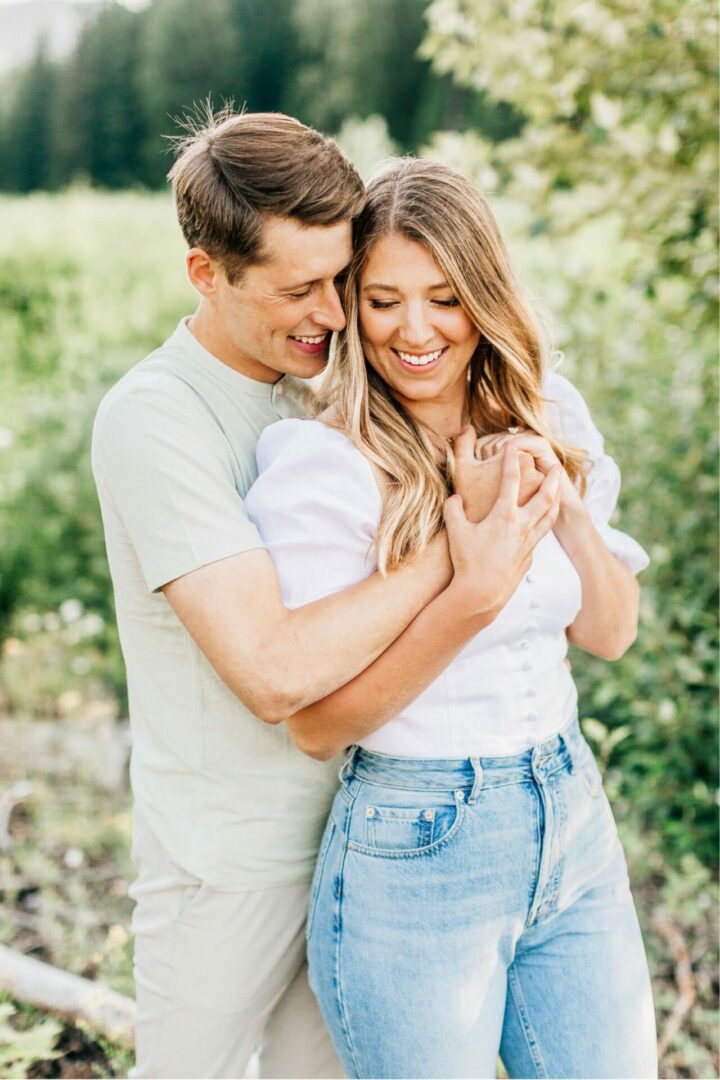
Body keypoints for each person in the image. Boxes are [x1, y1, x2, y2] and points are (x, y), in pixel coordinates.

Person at [91, 110, 559, 1080]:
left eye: (339, 283)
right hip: (230, 863)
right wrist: (453, 555)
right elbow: (271, 673)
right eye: (298, 290)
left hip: (369, 840)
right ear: (206, 274)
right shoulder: (156, 418)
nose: (334, 316)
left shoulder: (326, 382)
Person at [244, 158, 658, 1079]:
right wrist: (471, 590)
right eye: (384, 301)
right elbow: (316, 725)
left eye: (445, 298)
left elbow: (610, 631)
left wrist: (565, 505)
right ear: (350, 305)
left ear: (486, 295)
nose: (415, 331)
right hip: (416, 841)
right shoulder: (325, 466)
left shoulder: (547, 412)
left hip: (569, 809)